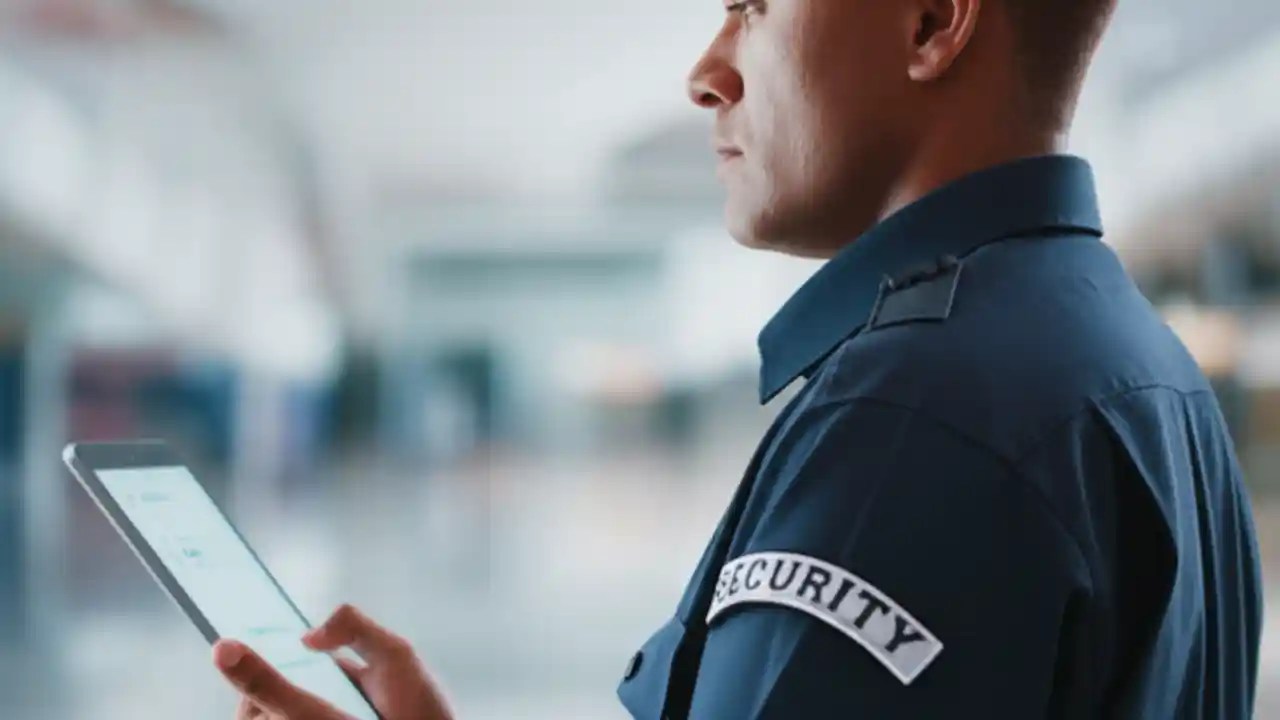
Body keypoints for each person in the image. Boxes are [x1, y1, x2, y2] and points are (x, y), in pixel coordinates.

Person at [214, 0, 1265, 717]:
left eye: (755, 6)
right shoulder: (1147, 376)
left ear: (932, 20)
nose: (705, 73)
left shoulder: (912, 418)